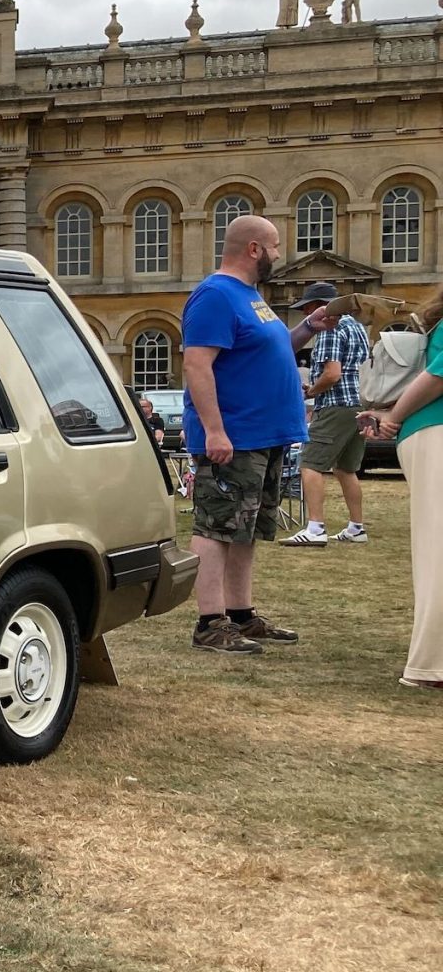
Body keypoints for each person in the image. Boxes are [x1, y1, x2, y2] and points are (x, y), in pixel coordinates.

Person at [181, 215, 327, 655]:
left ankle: (241, 614)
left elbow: (268, 349)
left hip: (264, 436)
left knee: (244, 530)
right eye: (275, 246)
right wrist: (214, 431)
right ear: (254, 249)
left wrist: (308, 328)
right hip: (235, 437)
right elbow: (196, 364)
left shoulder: (251, 297)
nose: (280, 254)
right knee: (216, 527)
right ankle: (210, 623)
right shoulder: (216, 295)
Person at [359, 286, 443, 690]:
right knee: (437, 549)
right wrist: (393, 417)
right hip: (433, 432)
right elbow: (437, 376)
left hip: (428, 431)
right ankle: (430, 664)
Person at [282, 280, 370, 546]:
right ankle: (356, 528)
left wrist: (311, 391)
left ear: (320, 306)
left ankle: (315, 528)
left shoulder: (331, 327)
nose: (305, 314)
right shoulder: (357, 327)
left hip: (335, 405)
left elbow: (332, 374)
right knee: (345, 469)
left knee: (309, 463)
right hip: (359, 405)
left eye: (307, 308)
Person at [137, 394, 173, 490]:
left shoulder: (157, 420)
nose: (141, 408)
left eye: (143, 406)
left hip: (150, 447)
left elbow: (158, 437)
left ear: (150, 408)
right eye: (139, 406)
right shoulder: (135, 420)